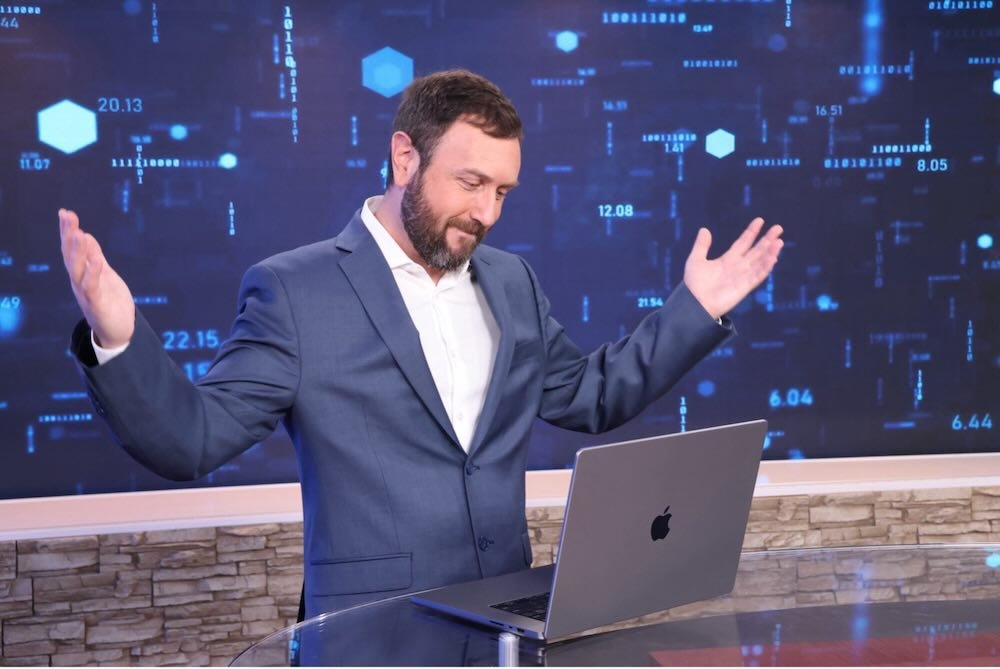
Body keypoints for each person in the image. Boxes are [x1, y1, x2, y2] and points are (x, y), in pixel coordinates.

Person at [59, 69, 783, 618]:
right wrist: (117, 338)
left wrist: (695, 309)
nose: (486, 211)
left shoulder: (512, 282)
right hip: (371, 636)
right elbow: (192, 438)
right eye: (470, 182)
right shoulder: (293, 291)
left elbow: (591, 395)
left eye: (503, 192)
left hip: (507, 627)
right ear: (405, 157)